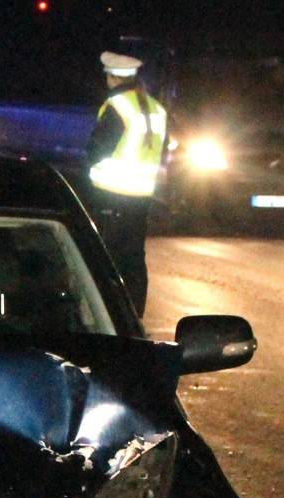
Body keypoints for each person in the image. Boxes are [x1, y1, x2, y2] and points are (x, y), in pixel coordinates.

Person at [84, 51, 168, 317]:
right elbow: (161, 152)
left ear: (112, 77)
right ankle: (134, 316)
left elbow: (97, 150)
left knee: (106, 259)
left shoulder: (117, 107)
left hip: (111, 195)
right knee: (134, 259)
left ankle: (108, 317)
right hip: (141, 196)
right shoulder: (156, 108)